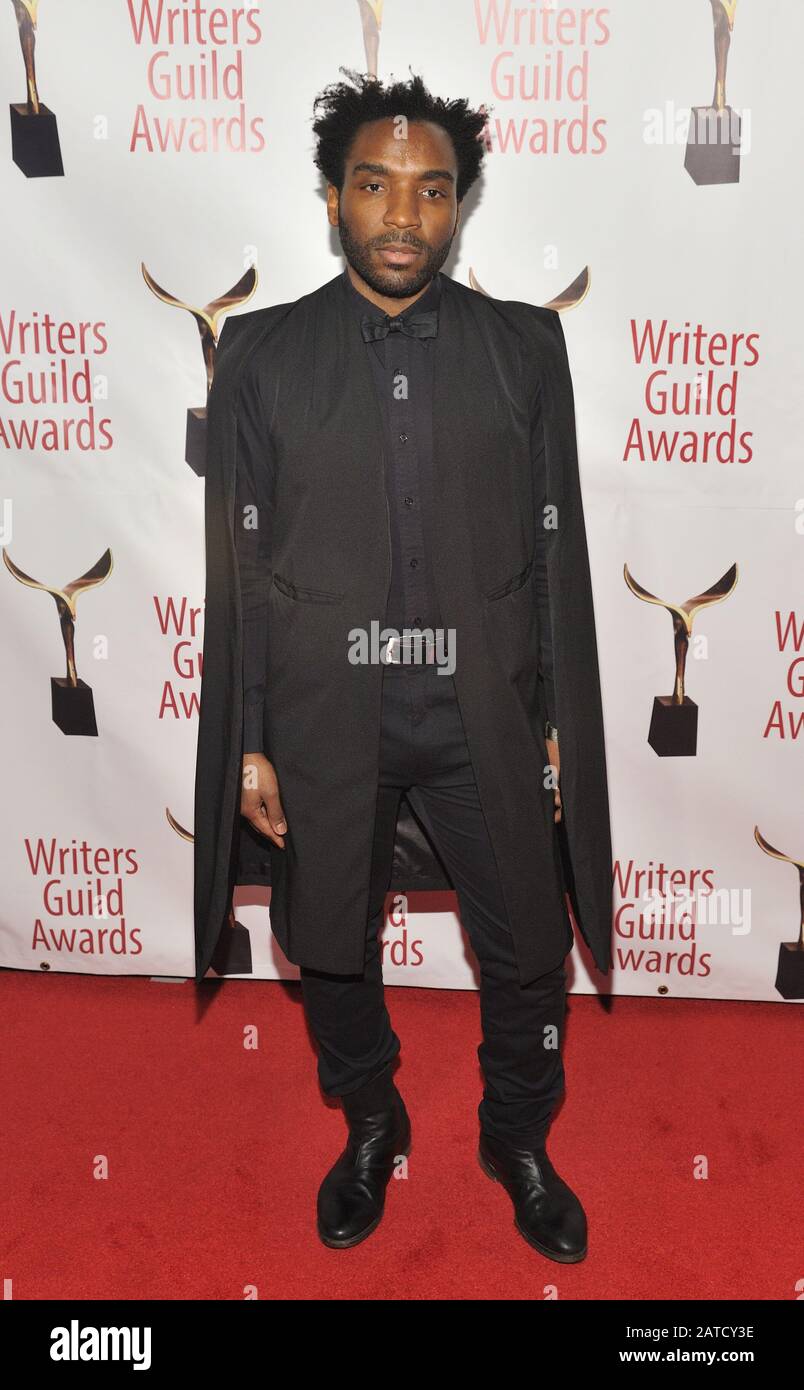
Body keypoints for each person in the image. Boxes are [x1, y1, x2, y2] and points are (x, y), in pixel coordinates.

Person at [193, 70, 613, 1262]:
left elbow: (551, 553)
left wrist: (551, 712)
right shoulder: (261, 355)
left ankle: (516, 1137)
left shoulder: (527, 349)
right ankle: (372, 1120)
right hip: (328, 712)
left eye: (431, 191)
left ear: (460, 206)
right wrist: (254, 732)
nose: (401, 215)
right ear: (334, 198)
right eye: (374, 185)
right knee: (329, 945)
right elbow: (245, 569)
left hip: (482, 708)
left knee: (531, 952)